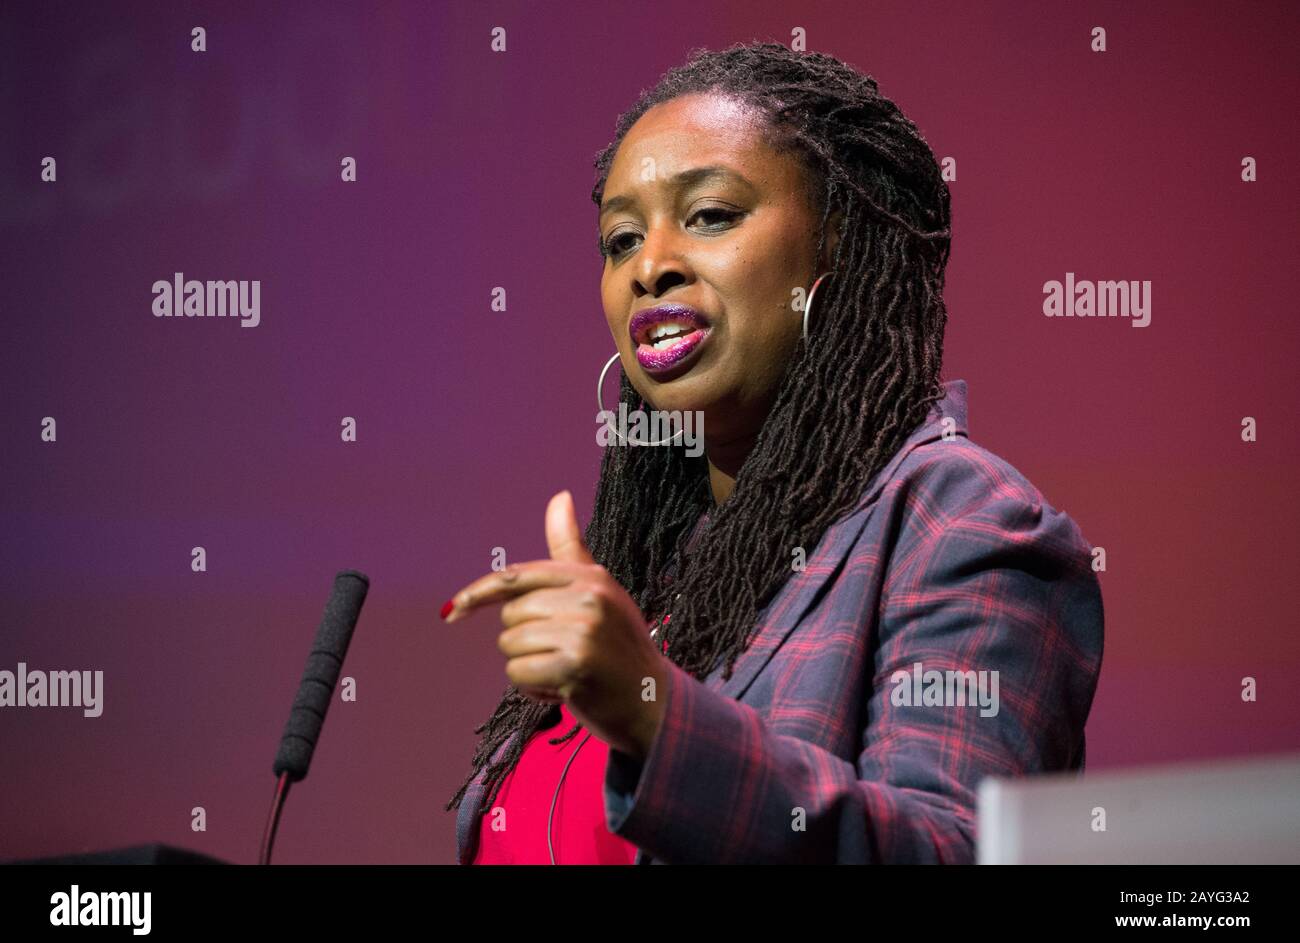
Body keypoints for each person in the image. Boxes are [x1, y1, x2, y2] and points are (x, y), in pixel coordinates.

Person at [441, 41, 1103, 864]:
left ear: (838, 246)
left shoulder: (963, 526)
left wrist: (655, 716)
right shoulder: (650, 576)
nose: (650, 267)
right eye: (621, 239)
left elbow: (951, 849)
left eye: (711, 214)